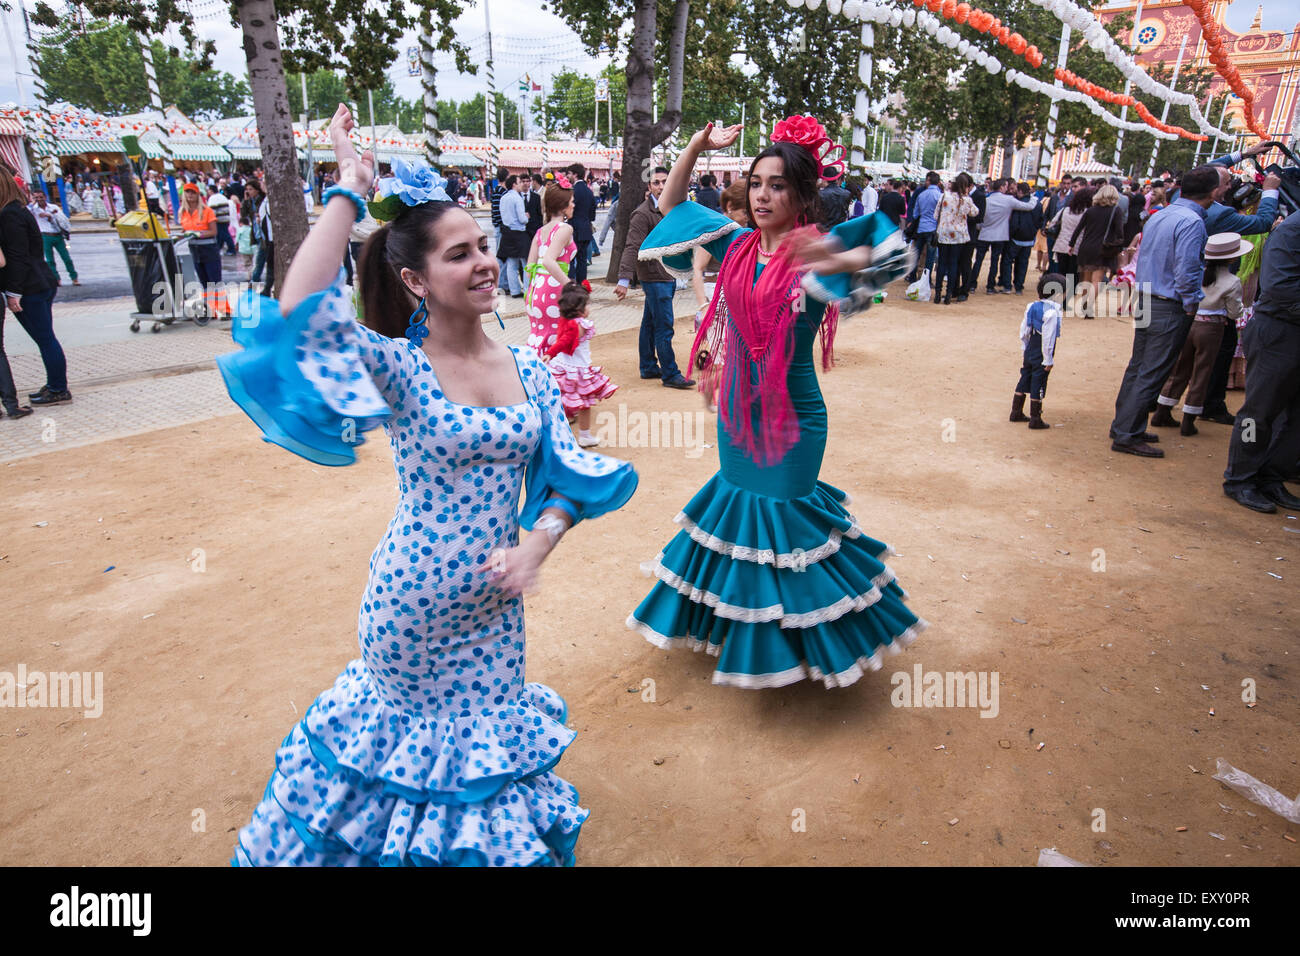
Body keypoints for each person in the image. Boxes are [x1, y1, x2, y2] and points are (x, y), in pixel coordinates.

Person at [218, 104, 637, 867]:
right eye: (457, 255)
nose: (482, 261)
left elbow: (567, 482)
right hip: (409, 610)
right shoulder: (396, 367)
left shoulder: (532, 372)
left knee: (475, 777)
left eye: (482, 245)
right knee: (397, 767)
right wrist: (348, 188)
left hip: (494, 617)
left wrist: (538, 546)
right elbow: (296, 310)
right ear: (414, 279)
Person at [625, 117, 923, 689]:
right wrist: (695, 144)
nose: (763, 194)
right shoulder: (734, 244)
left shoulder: (814, 253)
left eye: (778, 184)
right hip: (737, 410)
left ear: (802, 193)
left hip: (794, 416)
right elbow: (668, 206)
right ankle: (747, 635)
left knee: (783, 521)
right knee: (740, 517)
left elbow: (890, 260)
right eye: (756, 182)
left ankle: (803, 644)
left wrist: (831, 262)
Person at [1108, 165, 1219, 458]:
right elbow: (1187, 271)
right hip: (1167, 303)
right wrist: (1191, 304)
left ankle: (1125, 426)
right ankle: (1127, 433)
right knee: (1151, 370)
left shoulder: (1163, 214)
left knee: (1139, 366)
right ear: (1214, 192)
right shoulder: (1191, 222)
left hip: (1147, 296)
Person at [1221, 209, 1300, 513]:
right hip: (1278, 333)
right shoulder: (1291, 232)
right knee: (1258, 414)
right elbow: (1280, 288)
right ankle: (1240, 478)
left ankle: (1271, 476)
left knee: (1292, 418)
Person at [1151, 232, 1249, 437]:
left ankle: (1162, 411)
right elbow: (1234, 312)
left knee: (1178, 369)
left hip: (1189, 322)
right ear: (1232, 258)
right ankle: (1189, 419)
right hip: (1212, 328)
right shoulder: (1232, 281)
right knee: (1202, 372)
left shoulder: (1197, 273)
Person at [615, 165, 694, 390]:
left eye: (664, 182)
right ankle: (670, 374)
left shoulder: (674, 208)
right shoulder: (642, 214)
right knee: (664, 326)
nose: (661, 187)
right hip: (654, 277)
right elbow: (632, 246)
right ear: (649, 186)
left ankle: (649, 366)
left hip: (668, 276)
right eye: (656, 183)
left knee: (650, 322)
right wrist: (623, 279)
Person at [0, 165, 67, 407]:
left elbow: (17, 256)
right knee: (46, 337)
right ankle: (55, 384)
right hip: (39, 280)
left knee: (45, 338)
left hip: (30, 285)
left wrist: (14, 291)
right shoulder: (19, 210)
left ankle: (58, 388)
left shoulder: (9, 214)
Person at [542, 281, 617, 447]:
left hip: (563, 366)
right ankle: (584, 436)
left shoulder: (565, 321)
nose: (589, 308)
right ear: (579, 309)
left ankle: (557, 433)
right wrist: (550, 352)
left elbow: (563, 340)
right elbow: (565, 341)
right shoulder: (579, 325)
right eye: (587, 305)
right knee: (584, 404)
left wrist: (550, 354)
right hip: (577, 370)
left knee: (564, 401)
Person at [524, 174, 576, 355]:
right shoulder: (565, 229)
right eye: (571, 201)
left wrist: (532, 288)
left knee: (539, 335)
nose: (573, 205)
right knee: (558, 337)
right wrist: (570, 285)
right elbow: (548, 261)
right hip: (553, 290)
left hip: (535, 291)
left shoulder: (540, 231)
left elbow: (530, 265)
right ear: (563, 206)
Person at [1009, 272, 1065, 429]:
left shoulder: (1032, 306)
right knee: (1039, 382)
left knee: (1025, 376)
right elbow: (1048, 338)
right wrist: (1048, 359)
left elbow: (1024, 330)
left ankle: (1016, 411)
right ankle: (1035, 418)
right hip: (1042, 351)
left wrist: (1024, 348)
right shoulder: (1052, 313)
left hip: (1030, 348)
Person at [1068, 183, 1124, 318]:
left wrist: (1072, 244)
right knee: (1097, 280)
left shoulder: (1090, 210)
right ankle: (1089, 306)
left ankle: (1084, 303)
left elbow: (1079, 229)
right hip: (1103, 248)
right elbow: (1120, 233)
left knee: (1086, 279)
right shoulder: (1116, 211)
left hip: (1086, 247)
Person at [976, 178, 1039, 294]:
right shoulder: (1008, 200)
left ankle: (972, 284)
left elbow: (981, 218)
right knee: (995, 261)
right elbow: (1028, 207)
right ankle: (991, 286)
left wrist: (980, 227)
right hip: (1001, 235)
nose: (1008, 188)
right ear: (1001, 188)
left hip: (985, 233)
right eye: (1006, 186)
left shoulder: (987, 199)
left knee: (978, 260)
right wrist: (1034, 198)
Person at [933, 173, 977, 305]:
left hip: (944, 233)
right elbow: (974, 212)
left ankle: (937, 293)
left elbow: (936, 215)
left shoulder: (944, 196)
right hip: (958, 236)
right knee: (953, 264)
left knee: (942, 263)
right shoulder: (966, 199)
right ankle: (948, 294)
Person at [178, 182, 221, 315]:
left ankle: (223, 309)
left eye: (193, 192)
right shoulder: (183, 212)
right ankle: (210, 310)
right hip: (194, 249)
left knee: (214, 280)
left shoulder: (207, 211)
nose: (190, 195)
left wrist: (198, 234)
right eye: (187, 192)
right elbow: (184, 229)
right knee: (203, 281)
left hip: (208, 248)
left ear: (198, 194)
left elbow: (214, 231)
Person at [28, 188, 79, 286]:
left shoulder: (53, 207)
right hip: (45, 236)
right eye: (36, 197)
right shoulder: (33, 209)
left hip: (57, 235)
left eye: (41, 197)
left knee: (66, 258)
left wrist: (50, 216)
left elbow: (62, 220)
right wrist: (32, 203)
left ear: (45, 197)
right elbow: (26, 211)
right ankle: (56, 279)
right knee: (50, 260)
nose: (39, 199)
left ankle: (74, 277)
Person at [1047, 186, 1091, 292]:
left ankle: (1058, 294)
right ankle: (1067, 298)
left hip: (1061, 244)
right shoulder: (1087, 213)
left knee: (1061, 272)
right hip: (1077, 246)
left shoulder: (1065, 210)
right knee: (1072, 274)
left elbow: (1053, 222)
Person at [904, 171, 942, 283]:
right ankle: (926, 279)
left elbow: (916, 213)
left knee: (916, 254)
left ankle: (912, 276)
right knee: (930, 257)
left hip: (921, 227)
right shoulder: (939, 196)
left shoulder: (921, 194)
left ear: (928, 181)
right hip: (933, 228)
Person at [497, 175, 529, 297]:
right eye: (520, 182)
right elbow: (522, 219)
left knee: (511, 263)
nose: (522, 184)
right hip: (519, 232)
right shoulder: (517, 198)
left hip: (507, 232)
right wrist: (526, 217)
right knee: (525, 263)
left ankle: (514, 290)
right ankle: (526, 289)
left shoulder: (504, 197)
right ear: (514, 184)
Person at [1007, 181, 1041, 295]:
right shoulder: (1037, 204)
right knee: (1023, 263)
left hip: (1016, 237)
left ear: (1020, 191)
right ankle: (1019, 286)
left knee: (1008, 261)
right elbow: (1039, 221)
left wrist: (1011, 234)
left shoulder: (1018, 204)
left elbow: (1014, 222)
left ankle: (1007, 285)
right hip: (1029, 238)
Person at [567, 164, 597, 284]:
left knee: (571, 259)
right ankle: (582, 285)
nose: (568, 176)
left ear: (575, 174)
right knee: (582, 260)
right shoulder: (589, 192)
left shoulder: (573, 191)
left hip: (574, 228)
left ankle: (571, 285)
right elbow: (592, 214)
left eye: (569, 174)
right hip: (585, 228)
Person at [207, 183, 237, 255]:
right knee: (221, 235)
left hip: (219, 220)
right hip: (226, 219)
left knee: (224, 235)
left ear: (211, 191)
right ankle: (218, 248)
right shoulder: (222, 196)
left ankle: (231, 249)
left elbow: (212, 211)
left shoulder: (213, 198)